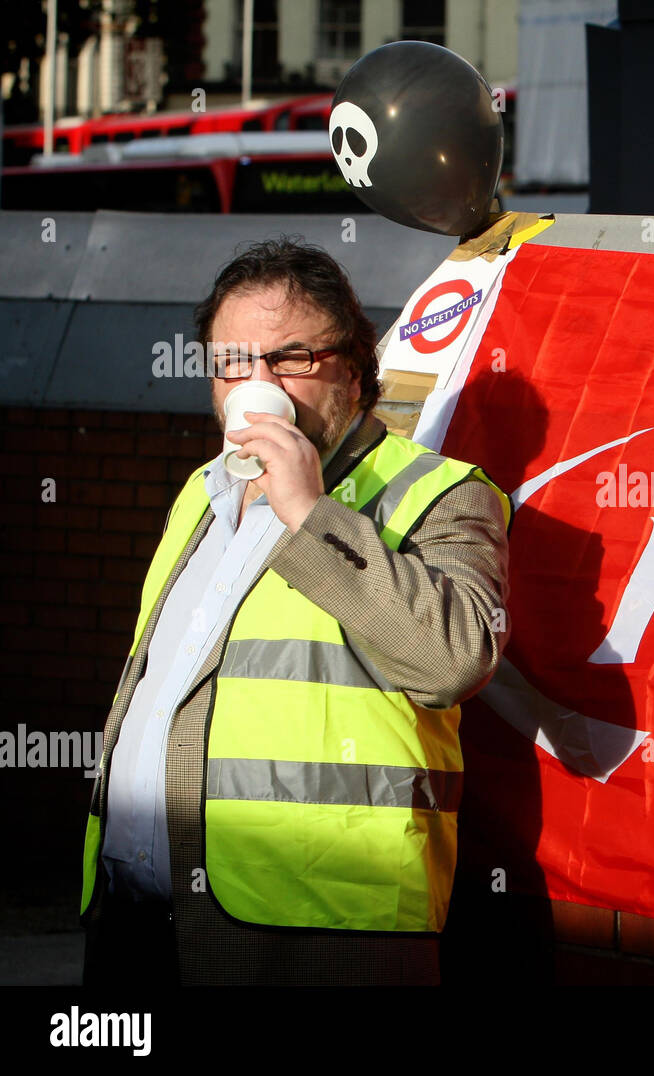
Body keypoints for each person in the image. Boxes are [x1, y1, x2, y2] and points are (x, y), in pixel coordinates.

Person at [79, 237, 511, 985]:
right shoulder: (201, 492)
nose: (259, 384)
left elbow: (455, 658)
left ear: (353, 366)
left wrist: (309, 513)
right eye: (235, 364)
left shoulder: (438, 492)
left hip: (320, 924)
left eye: (290, 359)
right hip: (138, 915)